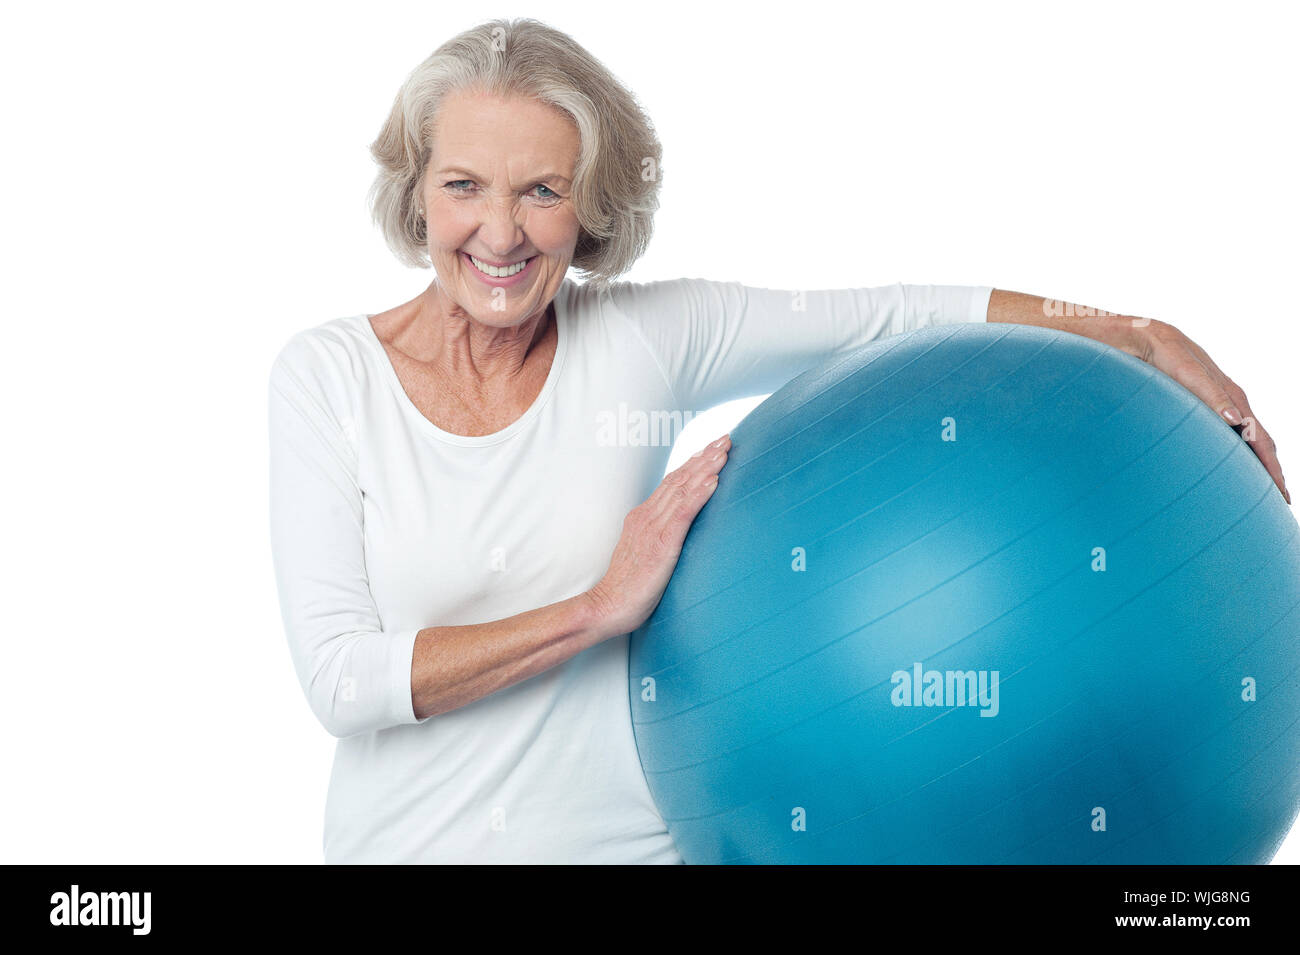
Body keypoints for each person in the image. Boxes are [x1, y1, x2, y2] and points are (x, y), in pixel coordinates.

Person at [267, 17, 1289, 864]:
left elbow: (896, 315)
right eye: (463, 186)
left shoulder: (641, 338)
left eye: (542, 190)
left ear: (590, 209)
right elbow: (343, 681)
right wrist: (594, 609)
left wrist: (1137, 331)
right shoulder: (329, 377)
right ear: (414, 192)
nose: (500, 232)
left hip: (646, 843)